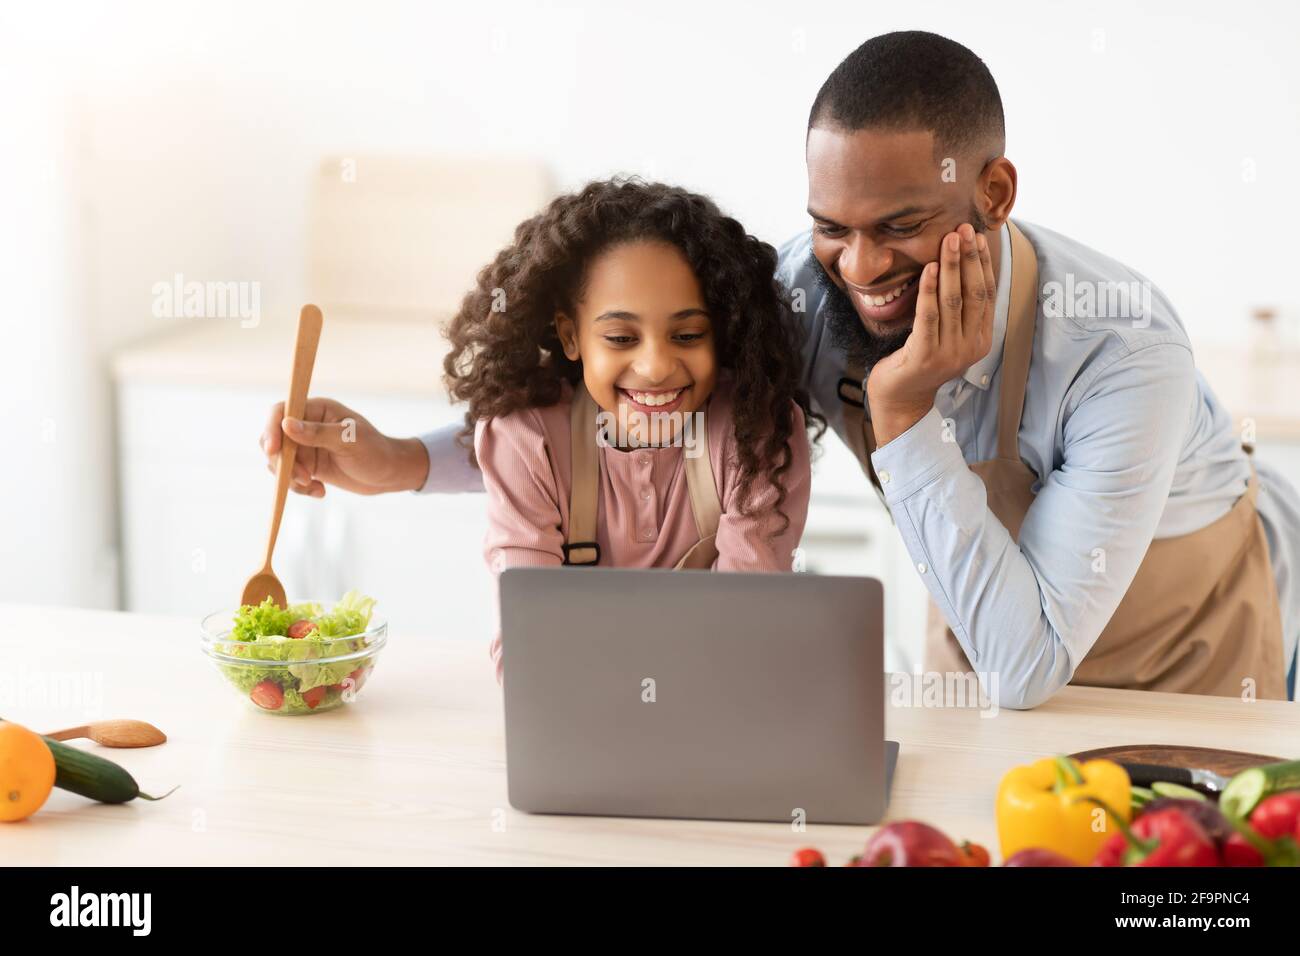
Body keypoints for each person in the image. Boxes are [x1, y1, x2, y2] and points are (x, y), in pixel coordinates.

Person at [261, 32, 1300, 708]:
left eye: (901, 226)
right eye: (831, 227)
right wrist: (396, 457)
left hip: (1184, 658)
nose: (861, 268)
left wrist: (897, 407)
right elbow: (619, 412)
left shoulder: (1123, 355)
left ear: (992, 188)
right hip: (983, 634)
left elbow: (1032, 664)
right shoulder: (805, 296)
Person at [266, 179, 817, 682]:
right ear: (571, 337)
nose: (655, 367)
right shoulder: (526, 436)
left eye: (688, 334)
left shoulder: (756, 433)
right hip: (582, 724)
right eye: (621, 339)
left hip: (715, 715)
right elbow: (528, 653)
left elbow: (745, 635)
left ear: (720, 333)